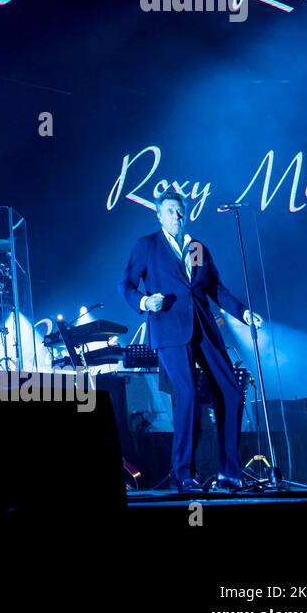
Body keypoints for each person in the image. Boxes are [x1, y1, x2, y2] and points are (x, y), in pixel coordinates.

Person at [118, 192, 262, 492]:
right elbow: (126, 285)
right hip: (170, 329)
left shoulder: (197, 247)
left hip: (204, 329)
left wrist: (244, 312)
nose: (176, 216)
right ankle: (183, 474)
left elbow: (215, 288)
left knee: (231, 393)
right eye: (170, 211)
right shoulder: (148, 245)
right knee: (187, 395)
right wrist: (145, 302)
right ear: (159, 215)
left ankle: (229, 474)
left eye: (180, 211)